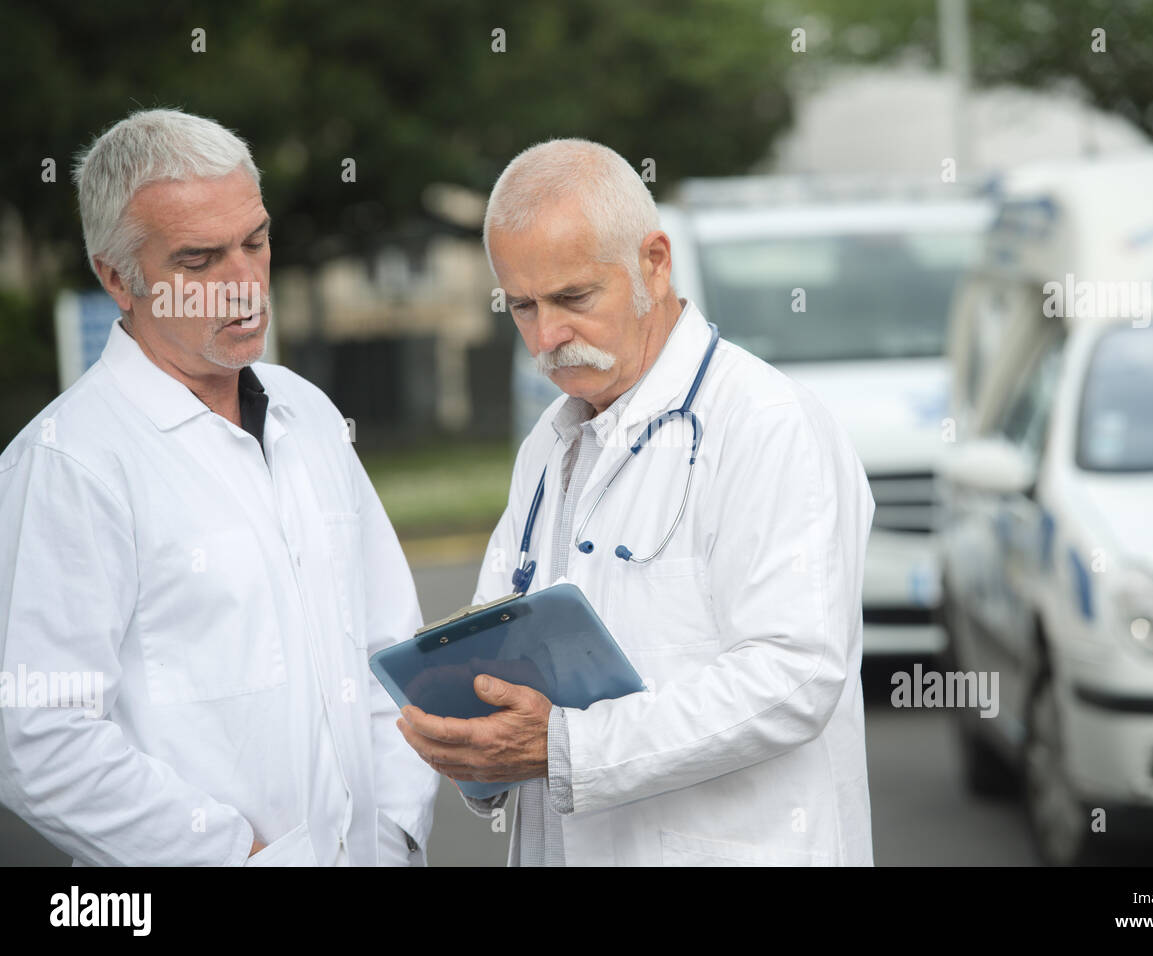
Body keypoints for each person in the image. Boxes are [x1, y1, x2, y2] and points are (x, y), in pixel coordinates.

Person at [397, 139, 874, 866]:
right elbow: (497, 643)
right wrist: (473, 739)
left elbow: (794, 675)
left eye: (574, 298)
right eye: (522, 307)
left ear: (654, 261)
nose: (548, 337)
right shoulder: (549, 444)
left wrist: (566, 745)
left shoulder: (767, 424)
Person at [0, 109, 436, 866]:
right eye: (199, 261)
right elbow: (39, 735)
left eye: (256, 242)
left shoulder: (308, 412)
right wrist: (244, 859)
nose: (243, 284)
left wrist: (394, 835)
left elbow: (390, 652)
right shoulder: (68, 464)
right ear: (116, 278)